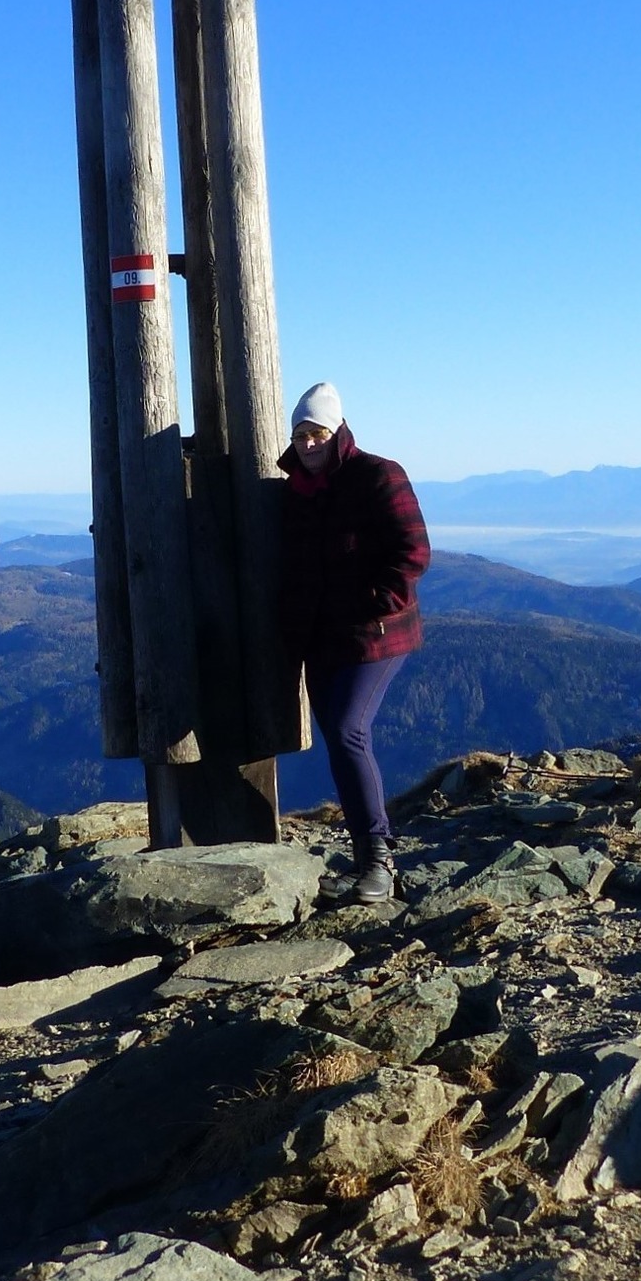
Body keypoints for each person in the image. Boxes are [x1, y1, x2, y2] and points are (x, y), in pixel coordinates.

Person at [278, 381, 431, 903]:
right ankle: (368, 857)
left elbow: (413, 551)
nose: (309, 444)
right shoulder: (296, 491)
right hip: (321, 635)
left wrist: (375, 602)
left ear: (337, 430)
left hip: (375, 635)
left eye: (317, 433)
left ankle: (379, 863)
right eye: (300, 435)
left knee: (347, 732)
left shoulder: (378, 475)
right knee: (339, 739)